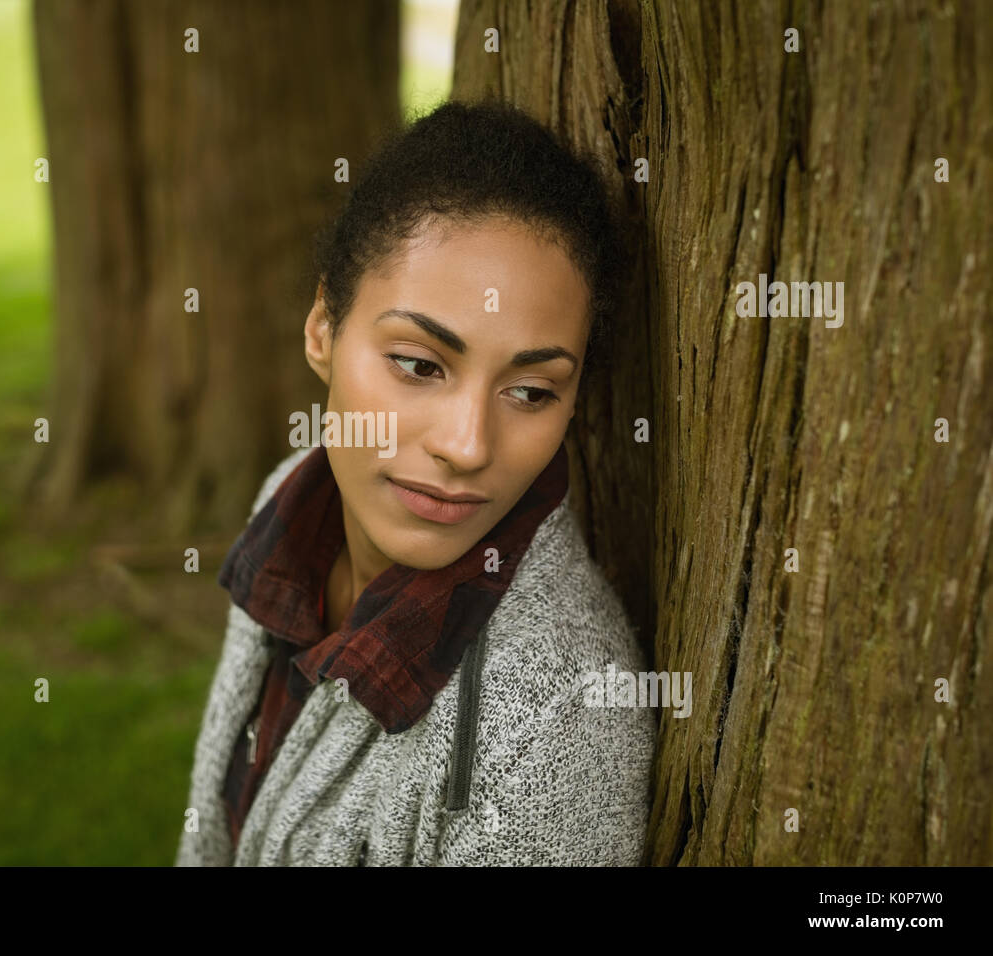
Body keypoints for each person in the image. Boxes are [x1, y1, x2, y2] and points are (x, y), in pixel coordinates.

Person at [176, 99, 655, 866]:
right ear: (323, 331)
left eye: (530, 391)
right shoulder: (288, 502)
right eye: (420, 365)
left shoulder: (555, 720)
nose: (467, 447)